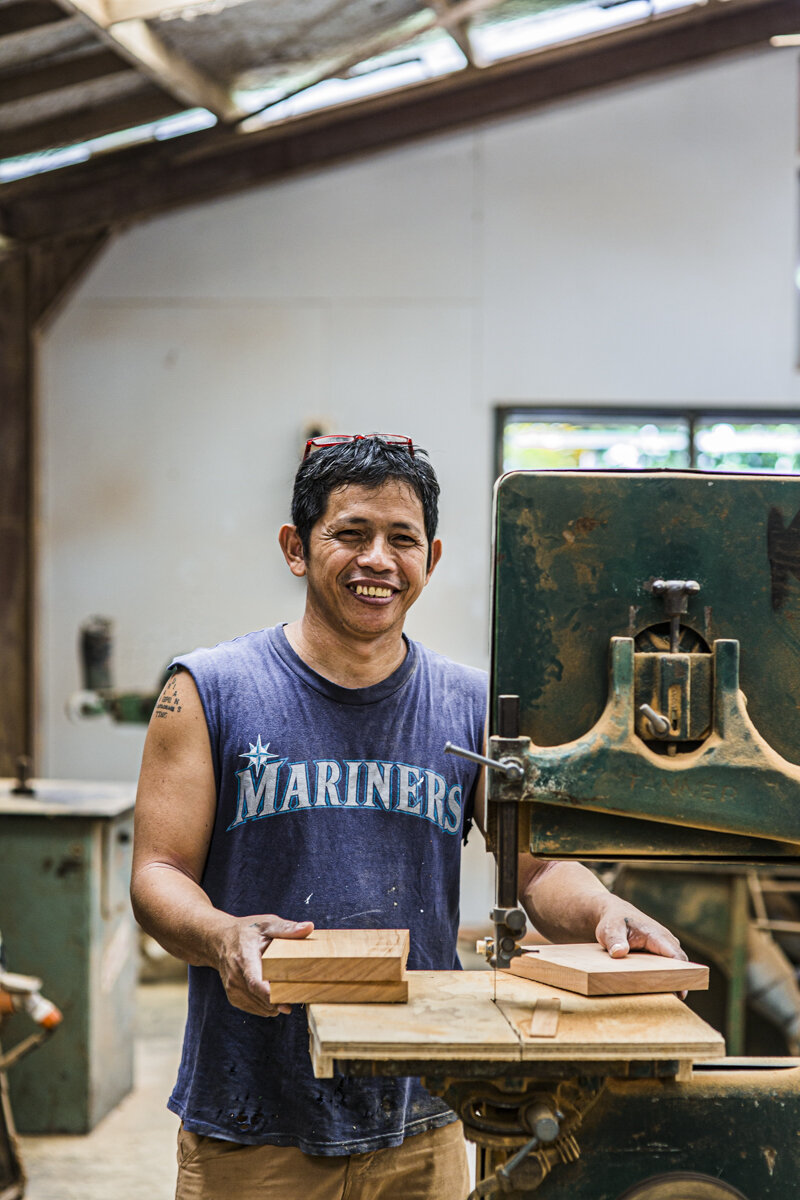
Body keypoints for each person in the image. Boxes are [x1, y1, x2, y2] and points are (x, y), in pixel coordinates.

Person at [131, 434, 684, 1200]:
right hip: (253, 1115)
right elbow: (157, 874)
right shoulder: (207, 690)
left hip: (422, 1115)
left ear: (433, 557)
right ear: (296, 547)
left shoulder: (472, 705)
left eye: (402, 539)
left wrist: (603, 912)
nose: (378, 560)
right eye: (351, 533)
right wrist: (222, 936)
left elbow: (539, 868)